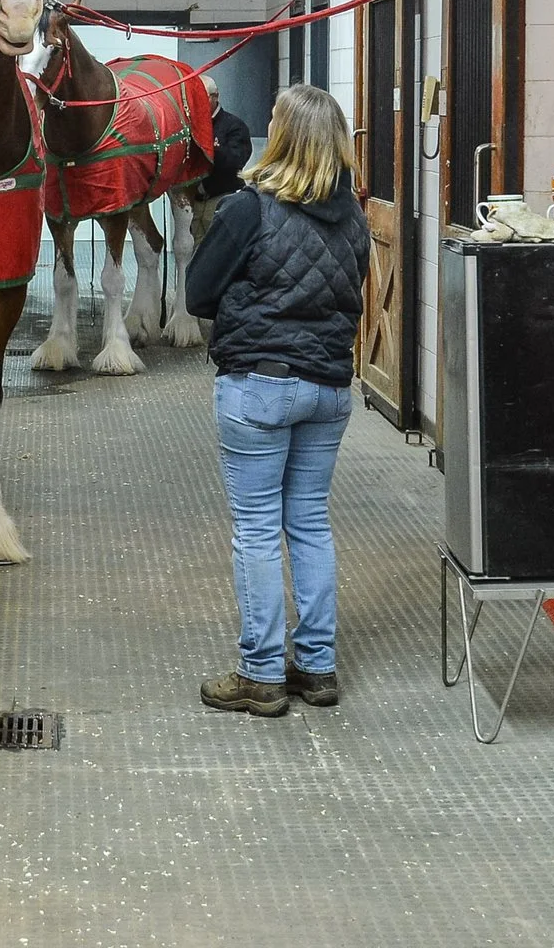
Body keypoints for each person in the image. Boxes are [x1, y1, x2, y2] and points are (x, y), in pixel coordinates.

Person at [183, 84, 371, 716]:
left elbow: (197, 295)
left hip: (259, 387)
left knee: (258, 528)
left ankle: (261, 674)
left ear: (283, 137)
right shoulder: (355, 220)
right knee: (310, 522)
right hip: (328, 391)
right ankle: (317, 669)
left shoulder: (248, 209)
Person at [187, 73, 252, 246]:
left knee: (219, 249)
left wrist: (207, 145)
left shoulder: (234, 126)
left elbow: (235, 161)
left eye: (200, 97)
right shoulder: (188, 125)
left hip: (221, 198)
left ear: (215, 97)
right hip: (193, 200)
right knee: (191, 252)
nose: (195, 103)